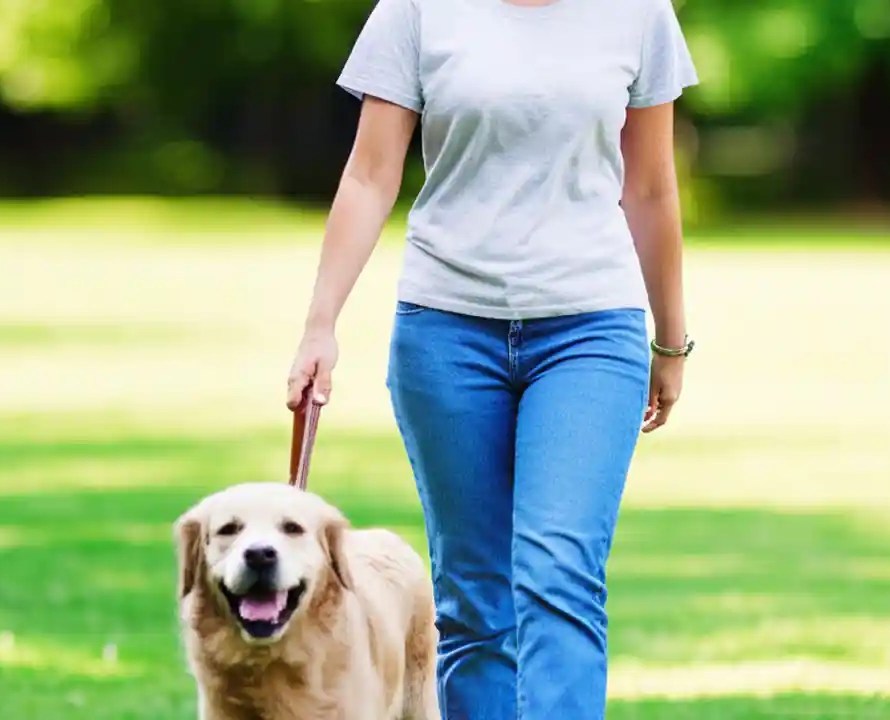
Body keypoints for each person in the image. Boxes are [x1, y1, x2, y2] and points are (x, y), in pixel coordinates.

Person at [286, 0, 698, 717]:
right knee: (474, 598)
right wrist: (320, 324)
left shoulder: (639, 12)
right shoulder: (415, 10)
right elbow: (369, 174)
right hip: (446, 332)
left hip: (589, 329)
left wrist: (670, 338)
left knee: (558, 573)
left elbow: (652, 187)